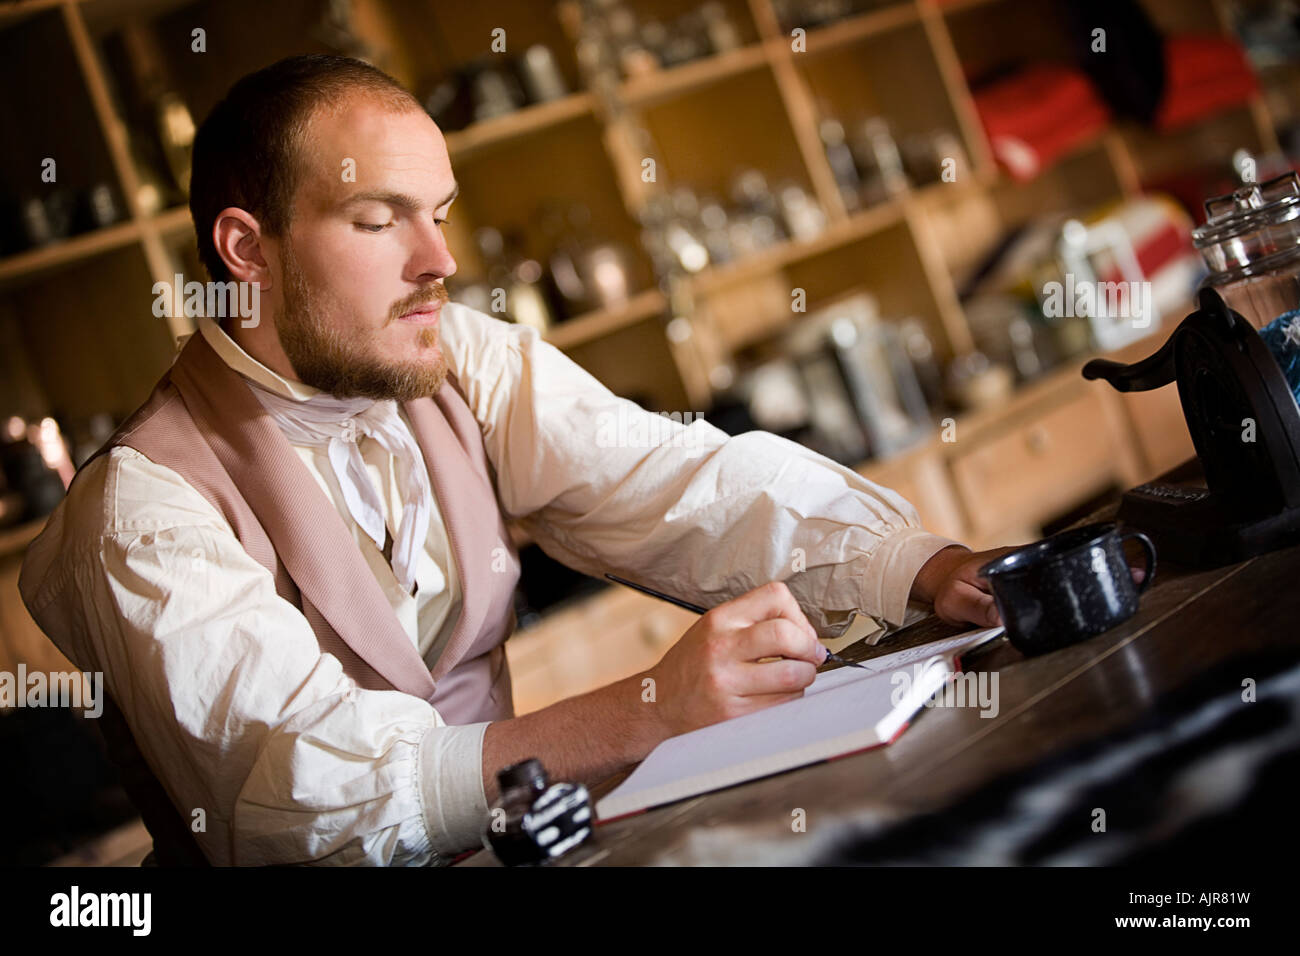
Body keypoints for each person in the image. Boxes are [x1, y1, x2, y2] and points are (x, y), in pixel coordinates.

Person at [20, 54, 1016, 866]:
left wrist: (922, 567)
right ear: (247, 249)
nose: (438, 261)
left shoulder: (453, 352)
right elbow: (298, 796)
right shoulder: (141, 506)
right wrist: (650, 708)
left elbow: (675, 484)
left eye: (440, 214)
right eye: (379, 222)